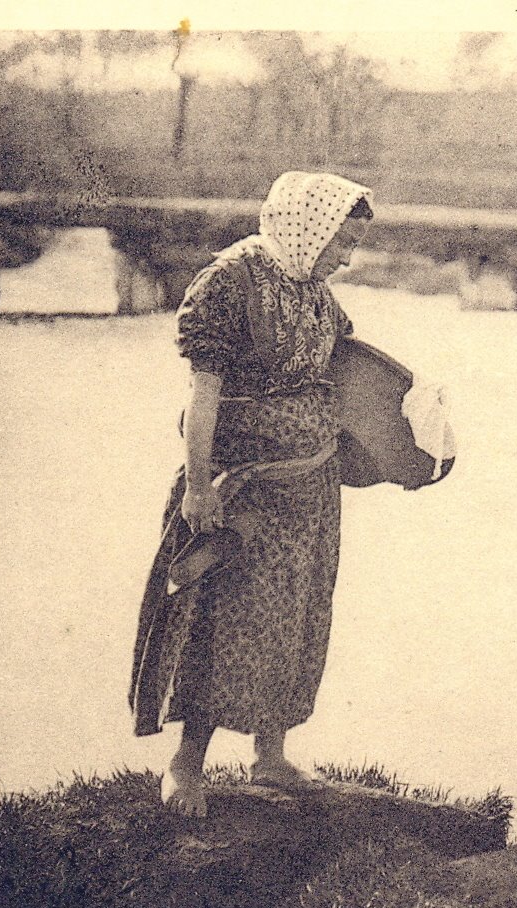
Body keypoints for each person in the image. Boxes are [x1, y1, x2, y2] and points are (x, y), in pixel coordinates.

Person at [129, 171, 374, 817]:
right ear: (311, 228)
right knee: (221, 619)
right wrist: (198, 486)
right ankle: (187, 764)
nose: (347, 258)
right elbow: (203, 394)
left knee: (295, 615)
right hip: (242, 489)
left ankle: (270, 754)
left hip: (311, 486)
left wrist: (409, 423)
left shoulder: (313, 287)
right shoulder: (228, 283)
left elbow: (349, 369)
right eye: (343, 243)